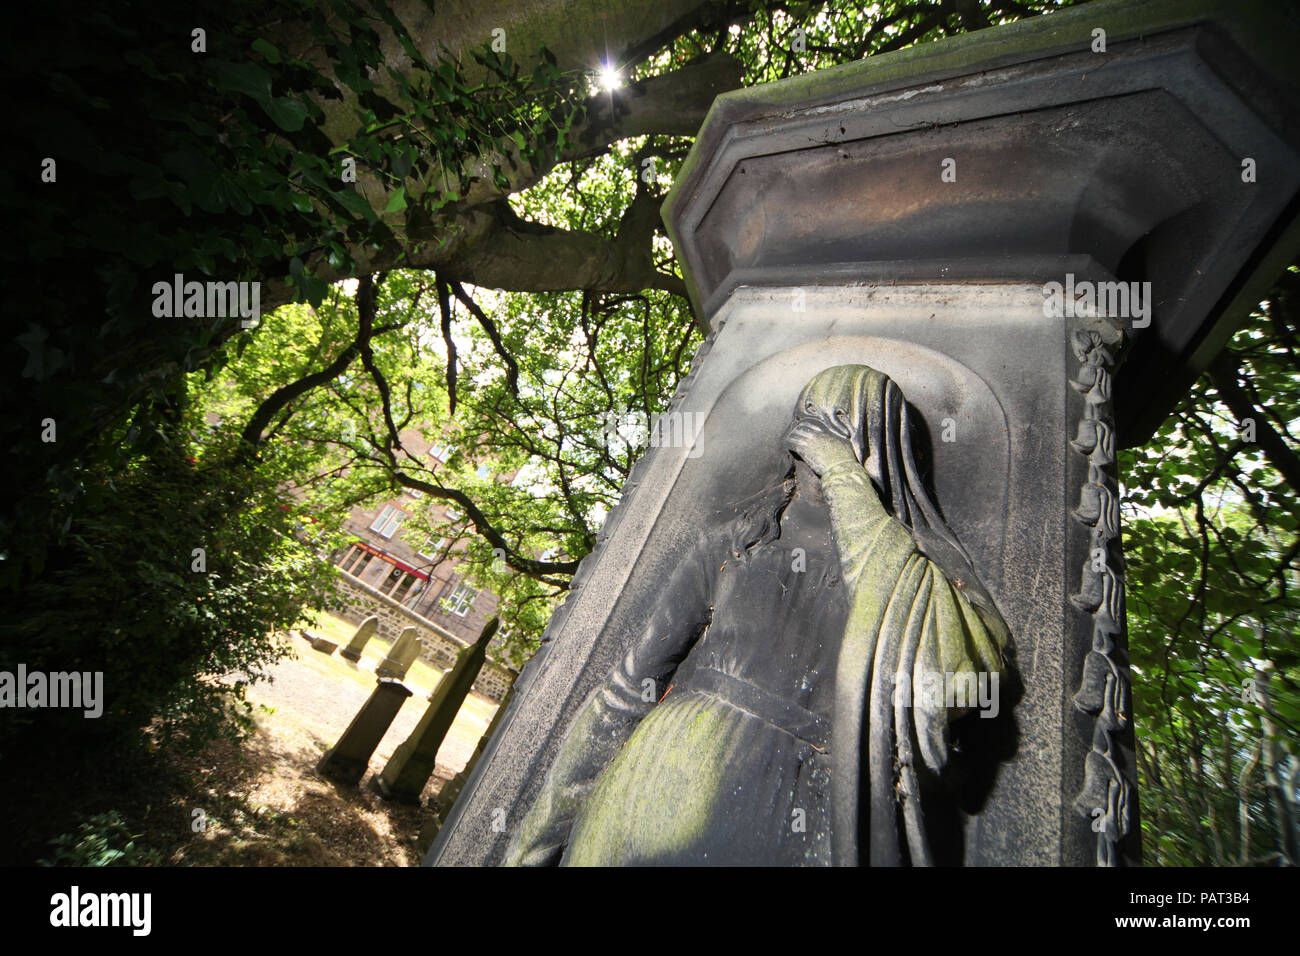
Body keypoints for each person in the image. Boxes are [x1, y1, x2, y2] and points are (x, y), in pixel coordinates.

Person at [505, 365, 1010, 866]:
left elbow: (948, 684)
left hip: (802, 810)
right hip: (655, 784)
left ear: (879, 444)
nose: (819, 429)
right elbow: (623, 694)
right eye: (810, 411)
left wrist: (842, 475)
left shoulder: (908, 578)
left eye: (840, 417)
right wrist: (538, 841)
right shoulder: (733, 544)